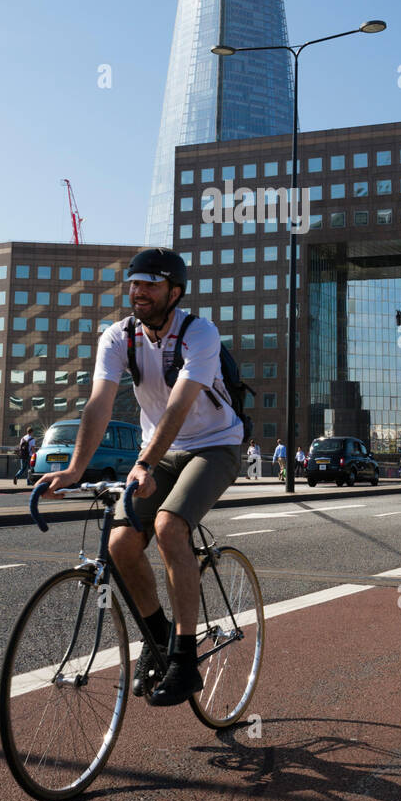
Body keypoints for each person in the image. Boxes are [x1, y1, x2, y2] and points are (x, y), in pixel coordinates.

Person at [35, 246, 244, 707]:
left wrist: (145, 463)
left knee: (171, 527)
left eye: (149, 283)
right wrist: (73, 469)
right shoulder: (117, 336)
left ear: (174, 291)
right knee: (120, 544)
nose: (138, 291)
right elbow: (99, 403)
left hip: (217, 445)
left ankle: (185, 662)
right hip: (162, 451)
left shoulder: (199, 334)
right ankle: (159, 640)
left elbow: (179, 404)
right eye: (133, 283)